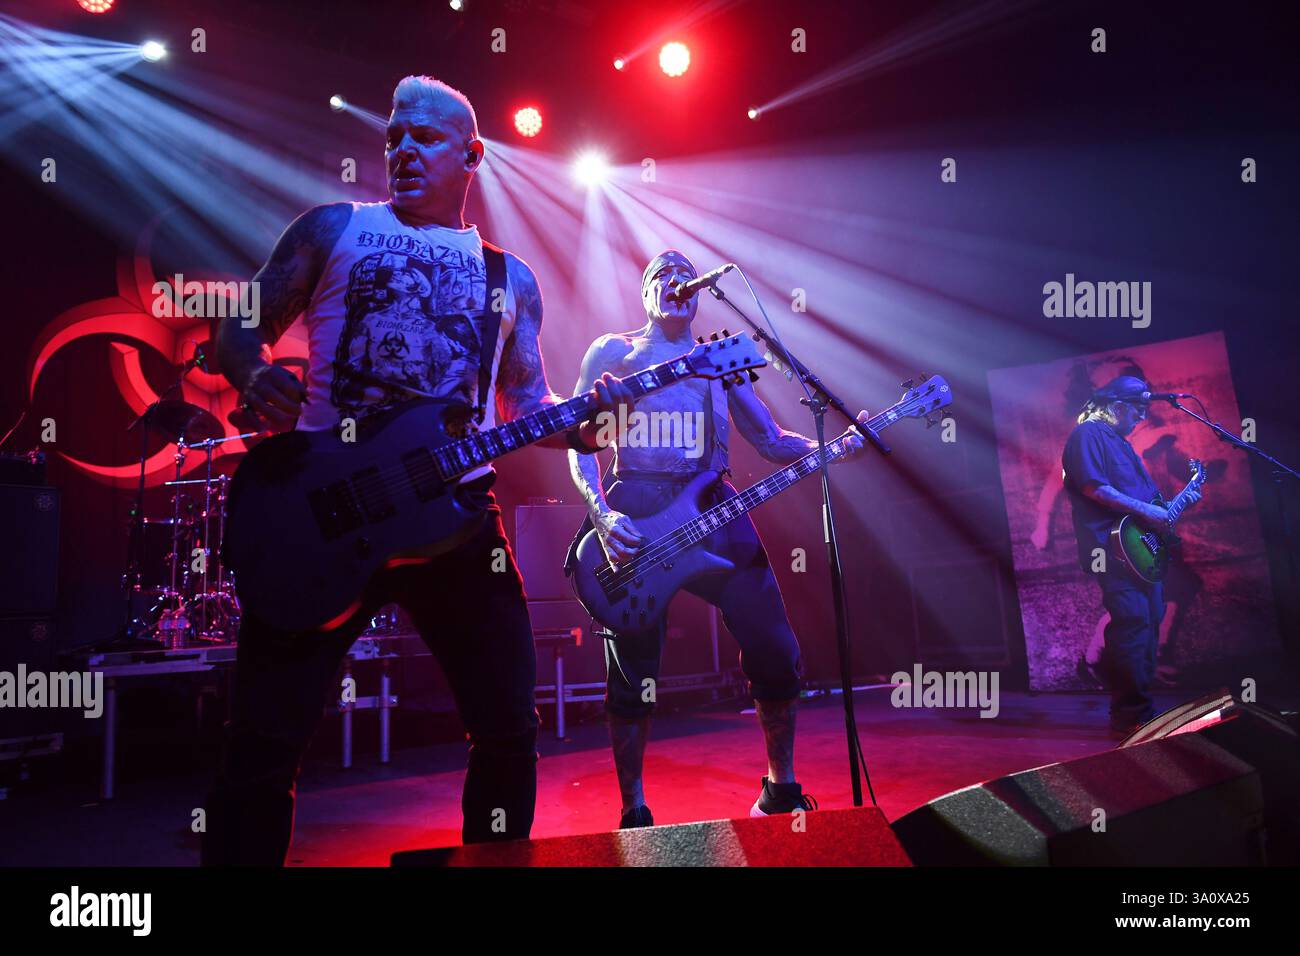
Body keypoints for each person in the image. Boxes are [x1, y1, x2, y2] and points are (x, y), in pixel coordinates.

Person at [204, 75, 630, 864]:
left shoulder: (511, 278)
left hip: (459, 522)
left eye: (424, 138)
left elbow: (525, 402)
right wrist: (250, 370)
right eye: (394, 136)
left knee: (508, 728)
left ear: (472, 156)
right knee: (262, 745)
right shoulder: (334, 230)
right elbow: (241, 324)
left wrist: (583, 427)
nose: (402, 149)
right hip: (324, 510)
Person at [567, 250, 866, 828]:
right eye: (665, 276)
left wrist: (835, 447)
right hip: (636, 506)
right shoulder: (614, 353)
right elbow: (579, 447)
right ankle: (633, 809)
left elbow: (775, 440)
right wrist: (601, 516)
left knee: (777, 649)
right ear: (645, 292)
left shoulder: (719, 358)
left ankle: (780, 790)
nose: (680, 283)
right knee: (633, 672)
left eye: (688, 276)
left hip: (714, 505)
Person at [1061, 375, 1200, 738]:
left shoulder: (1122, 444)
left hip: (1138, 549)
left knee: (1148, 621)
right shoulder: (1088, 434)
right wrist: (1150, 512)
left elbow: (1150, 509)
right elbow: (1094, 487)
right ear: (1116, 406)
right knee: (1133, 621)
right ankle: (1129, 716)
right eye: (1137, 409)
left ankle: (1142, 710)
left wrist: (1174, 506)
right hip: (1112, 549)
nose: (1141, 417)